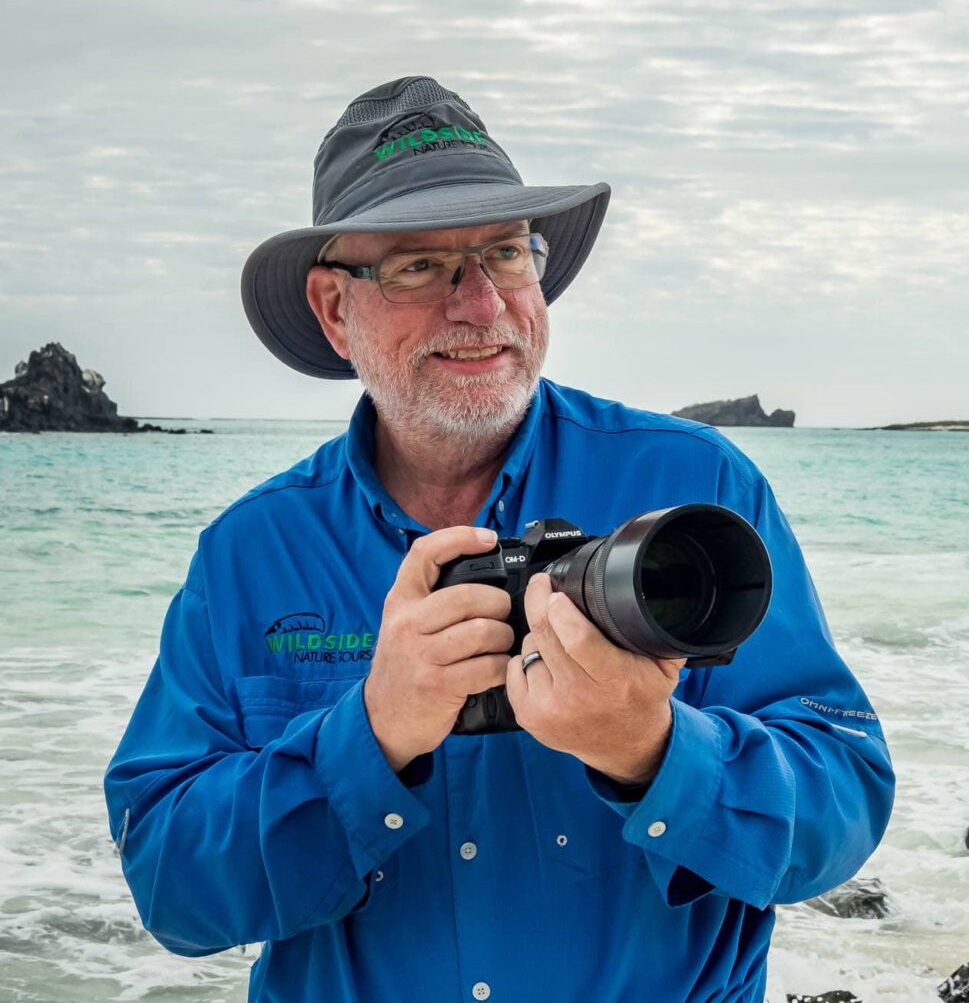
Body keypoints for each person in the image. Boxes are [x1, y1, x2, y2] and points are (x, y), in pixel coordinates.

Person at [104, 76, 894, 1002]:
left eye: (505, 254)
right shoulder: (252, 550)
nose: (479, 304)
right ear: (332, 308)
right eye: (416, 267)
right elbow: (173, 890)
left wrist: (653, 749)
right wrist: (373, 734)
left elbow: (842, 801)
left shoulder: (697, 488)